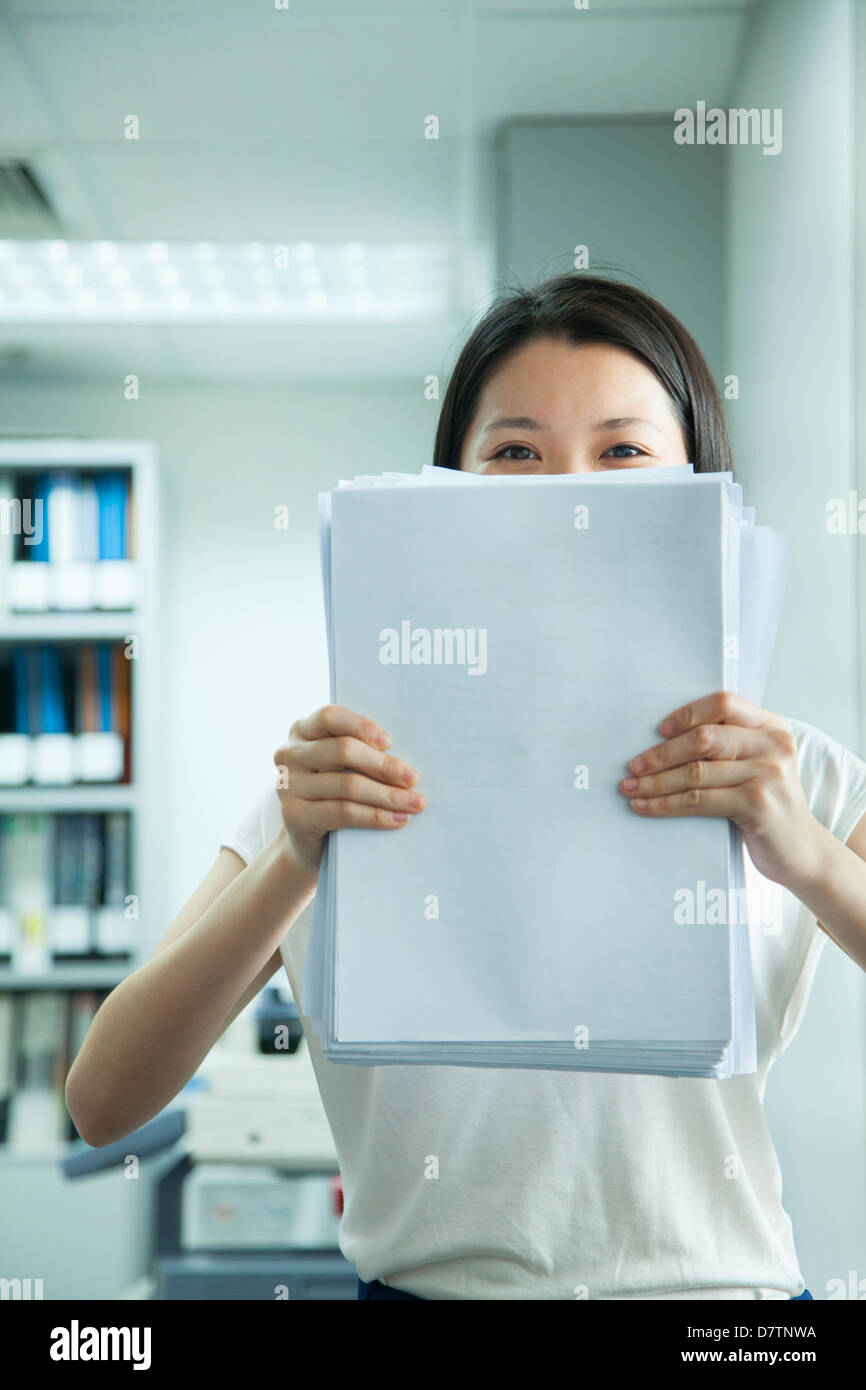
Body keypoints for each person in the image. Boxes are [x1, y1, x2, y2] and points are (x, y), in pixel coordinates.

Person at [66, 273, 866, 1300]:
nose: (566, 495)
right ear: (445, 493)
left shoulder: (787, 768)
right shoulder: (335, 778)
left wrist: (803, 856)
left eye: (621, 451)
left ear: (699, 483)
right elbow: (102, 1101)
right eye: (514, 453)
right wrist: (297, 858)